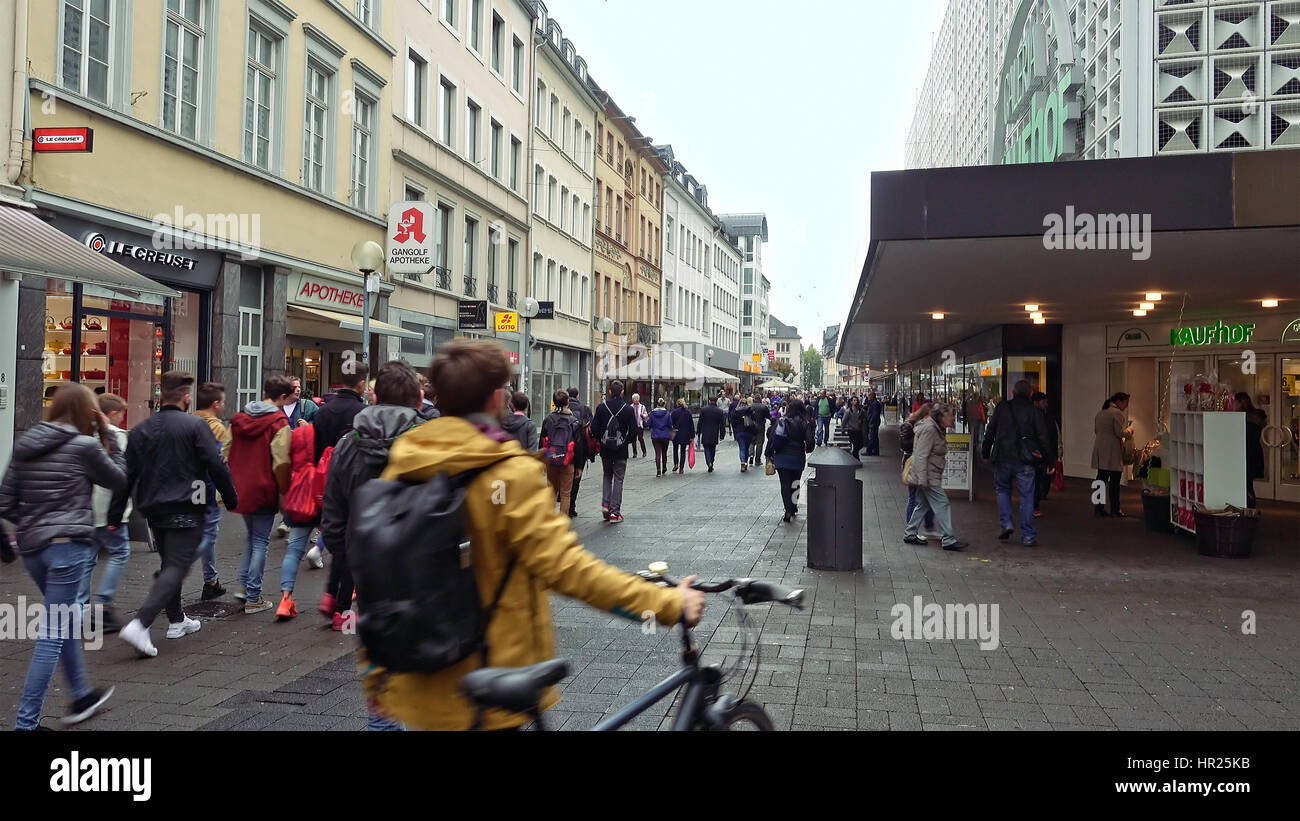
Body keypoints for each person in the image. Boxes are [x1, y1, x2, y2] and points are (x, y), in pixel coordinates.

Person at [358, 340, 703, 730]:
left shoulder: (406, 458)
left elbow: (379, 569)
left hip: (418, 687)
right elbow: (570, 569)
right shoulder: (507, 473)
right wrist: (666, 604)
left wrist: (375, 673)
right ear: (494, 397)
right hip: (487, 692)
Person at [1, 383, 124, 729]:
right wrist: (108, 434)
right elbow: (118, 479)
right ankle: (26, 724)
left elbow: (5, 503)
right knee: (52, 632)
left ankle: (82, 695)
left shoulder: (26, 444)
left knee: (65, 620)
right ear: (88, 411)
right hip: (68, 546)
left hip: (34, 548)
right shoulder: (84, 445)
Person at [110, 372, 239, 656]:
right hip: (188, 503)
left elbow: (127, 476)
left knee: (170, 562)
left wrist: (115, 514)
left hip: (154, 508)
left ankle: (178, 619)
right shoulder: (194, 425)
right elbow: (216, 465)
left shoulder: (141, 429)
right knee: (177, 566)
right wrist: (230, 498)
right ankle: (141, 623)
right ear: (186, 397)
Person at [320, 361, 424, 632]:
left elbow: (332, 510)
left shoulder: (346, 445)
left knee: (380, 645)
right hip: (417, 568)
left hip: (366, 563)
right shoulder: (432, 442)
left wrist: (348, 554)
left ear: (376, 397)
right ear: (419, 399)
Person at [227, 375, 294, 613]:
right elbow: (281, 463)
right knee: (260, 542)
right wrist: (285, 492)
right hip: (264, 488)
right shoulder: (279, 423)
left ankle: (244, 587)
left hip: (240, 488)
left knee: (252, 538)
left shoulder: (239, 417)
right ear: (282, 397)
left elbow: (226, 450)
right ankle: (253, 596)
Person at [77, 393, 131, 632]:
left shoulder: (83, 437)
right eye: (121, 413)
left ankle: (79, 607)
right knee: (120, 552)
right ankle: (105, 603)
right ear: (111, 414)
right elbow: (123, 478)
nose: (122, 417)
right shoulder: (118, 437)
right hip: (110, 508)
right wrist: (116, 516)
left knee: (88, 559)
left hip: (86, 510)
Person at [982, 381, 1050, 546]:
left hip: (1003, 457)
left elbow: (990, 430)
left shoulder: (1002, 408)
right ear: (1030, 394)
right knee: (1027, 497)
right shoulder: (1034, 411)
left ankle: (1006, 524)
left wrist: (985, 451)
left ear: (1013, 392)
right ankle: (1027, 536)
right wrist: (1049, 459)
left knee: (1002, 491)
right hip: (1025, 460)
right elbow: (1043, 437)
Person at [903, 403, 967, 551]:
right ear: (941, 416)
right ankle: (949, 539)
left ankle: (910, 532)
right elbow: (921, 455)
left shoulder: (935, 428)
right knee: (942, 503)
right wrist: (923, 479)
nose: (952, 419)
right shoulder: (930, 429)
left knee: (923, 504)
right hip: (928, 476)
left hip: (929, 474)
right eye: (950, 415)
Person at [194, 382, 232, 600]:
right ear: (215, 403)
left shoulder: (189, 421)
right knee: (209, 532)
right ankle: (178, 569)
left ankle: (211, 579)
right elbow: (221, 461)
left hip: (191, 486)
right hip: (209, 486)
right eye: (223, 401)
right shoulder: (216, 428)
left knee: (200, 529)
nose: (224, 405)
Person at [765, 399, 817, 522]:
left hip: (782, 457)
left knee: (784, 484)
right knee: (795, 482)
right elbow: (810, 441)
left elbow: (772, 438)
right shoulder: (804, 423)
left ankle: (788, 510)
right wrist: (808, 448)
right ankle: (793, 506)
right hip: (797, 456)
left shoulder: (782, 421)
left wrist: (768, 453)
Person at [592, 380, 636, 523]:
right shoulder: (628, 409)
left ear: (609, 392)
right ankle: (615, 513)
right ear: (622, 392)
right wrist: (625, 441)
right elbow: (634, 431)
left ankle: (605, 505)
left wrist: (602, 440)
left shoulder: (601, 408)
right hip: (621, 450)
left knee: (607, 475)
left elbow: (593, 429)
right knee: (618, 479)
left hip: (605, 450)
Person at [313, 365, 369, 462]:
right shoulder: (365, 413)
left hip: (326, 472)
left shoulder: (322, 411)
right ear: (361, 384)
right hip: (354, 472)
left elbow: (317, 450)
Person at [1090, 392, 1132, 517]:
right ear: (1119, 401)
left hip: (1100, 449)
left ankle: (1098, 507)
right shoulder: (1117, 413)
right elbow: (1119, 433)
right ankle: (1115, 508)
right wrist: (1129, 431)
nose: (1126, 406)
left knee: (1101, 479)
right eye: (1126, 403)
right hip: (1112, 451)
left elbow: (1096, 431)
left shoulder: (1101, 413)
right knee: (1114, 482)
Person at [540, 390, 579, 513]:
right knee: (566, 494)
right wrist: (578, 465)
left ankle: (549, 521)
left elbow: (542, 441)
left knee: (551, 491)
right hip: (568, 460)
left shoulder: (548, 419)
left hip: (551, 459)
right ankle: (562, 524)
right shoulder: (574, 421)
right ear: (568, 402)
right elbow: (578, 445)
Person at [900, 404, 935, 533]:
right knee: (913, 496)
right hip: (912, 462)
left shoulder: (927, 427)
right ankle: (911, 526)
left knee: (928, 494)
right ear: (924, 415)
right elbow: (904, 444)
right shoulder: (909, 425)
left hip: (924, 463)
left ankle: (928, 523)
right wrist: (920, 440)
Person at [1031, 392, 1060, 517]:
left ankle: (1034, 504)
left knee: (1037, 479)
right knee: (1037, 479)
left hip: (1038, 452)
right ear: (1036, 402)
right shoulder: (1043, 417)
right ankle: (1034, 505)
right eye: (1044, 402)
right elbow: (1049, 437)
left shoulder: (1046, 416)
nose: (1046, 405)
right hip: (1038, 452)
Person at [567, 387, 594, 518]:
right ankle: (571, 506)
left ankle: (563, 503)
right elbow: (592, 429)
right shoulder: (585, 409)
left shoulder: (558, 410)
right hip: (580, 449)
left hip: (562, 448)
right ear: (577, 396)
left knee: (563, 478)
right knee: (576, 478)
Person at [1237, 392, 1266, 508]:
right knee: (1248, 483)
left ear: (1240, 403)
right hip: (1255, 451)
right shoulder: (1257, 416)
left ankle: (1248, 508)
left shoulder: (1241, 418)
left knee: (1245, 483)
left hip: (1245, 452)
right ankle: (1250, 507)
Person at [697, 397, 726, 473]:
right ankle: (711, 462)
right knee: (712, 449)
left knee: (706, 448)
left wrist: (698, 431)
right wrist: (722, 434)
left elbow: (700, 421)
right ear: (716, 401)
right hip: (714, 432)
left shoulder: (703, 410)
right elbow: (722, 424)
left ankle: (709, 462)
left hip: (706, 432)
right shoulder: (719, 411)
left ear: (709, 401)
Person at [670, 398, 695, 473]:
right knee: (683, 451)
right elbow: (691, 425)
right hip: (685, 434)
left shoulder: (674, 412)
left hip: (676, 433)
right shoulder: (688, 412)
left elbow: (671, 423)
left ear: (677, 404)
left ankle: (676, 464)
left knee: (675, 449)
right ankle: (681, 468)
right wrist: (692, 436)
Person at [649, 398, 672, 476]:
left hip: (655, 435)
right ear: (664, 404)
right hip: (665, 435)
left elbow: (649, 424)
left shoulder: (652, 414)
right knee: (664, 452)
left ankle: (658, 470)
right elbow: (670, 425)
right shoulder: (667, 414)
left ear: (657, 404)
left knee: (657, 453)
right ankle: (664, 467)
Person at [731, 396, 754, 472]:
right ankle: (746, 463)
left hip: (739, 432)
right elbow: (753, 423)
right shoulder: (750, 410)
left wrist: (735, 431)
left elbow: (733, 423)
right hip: (748, 432)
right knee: (746, 448)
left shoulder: (736, 411)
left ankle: (742, 464)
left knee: (742, 448)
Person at [749, 396, 770, 467]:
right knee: (759, 443)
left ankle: (751, 455)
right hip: (760, 427)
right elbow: (768, 416)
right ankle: (757, 460)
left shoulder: (750, 406)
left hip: (751, 427)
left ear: (754, 399)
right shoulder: (763, 407)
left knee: (751, 442)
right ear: (760, 399)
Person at [864, 391, 884, 456]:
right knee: (875, 437)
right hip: (874, 422)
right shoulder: (872, 403)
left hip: (874, 422)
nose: (868, 397)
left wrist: (871, 421)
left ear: (873, 396)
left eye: (869, 395)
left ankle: (869, 451)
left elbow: (875, 414)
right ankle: (876, 451)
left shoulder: (875, 403)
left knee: (872, 437)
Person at [630, 393, 649, 458]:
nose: (635, 400)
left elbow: (646, 414)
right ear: (632, 399)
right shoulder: (630, 407)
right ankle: (634, 453)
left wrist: (643, 415)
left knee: (640, 438)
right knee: (633, 440)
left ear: (639, 399)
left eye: (637, 398)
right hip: (633, 425)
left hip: (639, 425)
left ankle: (644, 452)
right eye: (634, 398)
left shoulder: (642, 407)